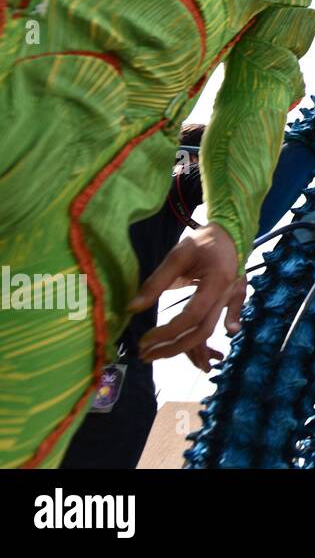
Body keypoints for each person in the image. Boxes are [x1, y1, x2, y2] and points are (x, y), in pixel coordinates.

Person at [0, 0, 315, 467]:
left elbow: (261, 98)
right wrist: (227, 228)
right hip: (74, 226)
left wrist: (227, 226)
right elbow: (260, 99)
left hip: (76, 222)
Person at [60, 124, 213, 469]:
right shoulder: (183, 166)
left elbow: (140, 269)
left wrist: (193, 276)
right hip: (109, 368)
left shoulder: (94, 168)